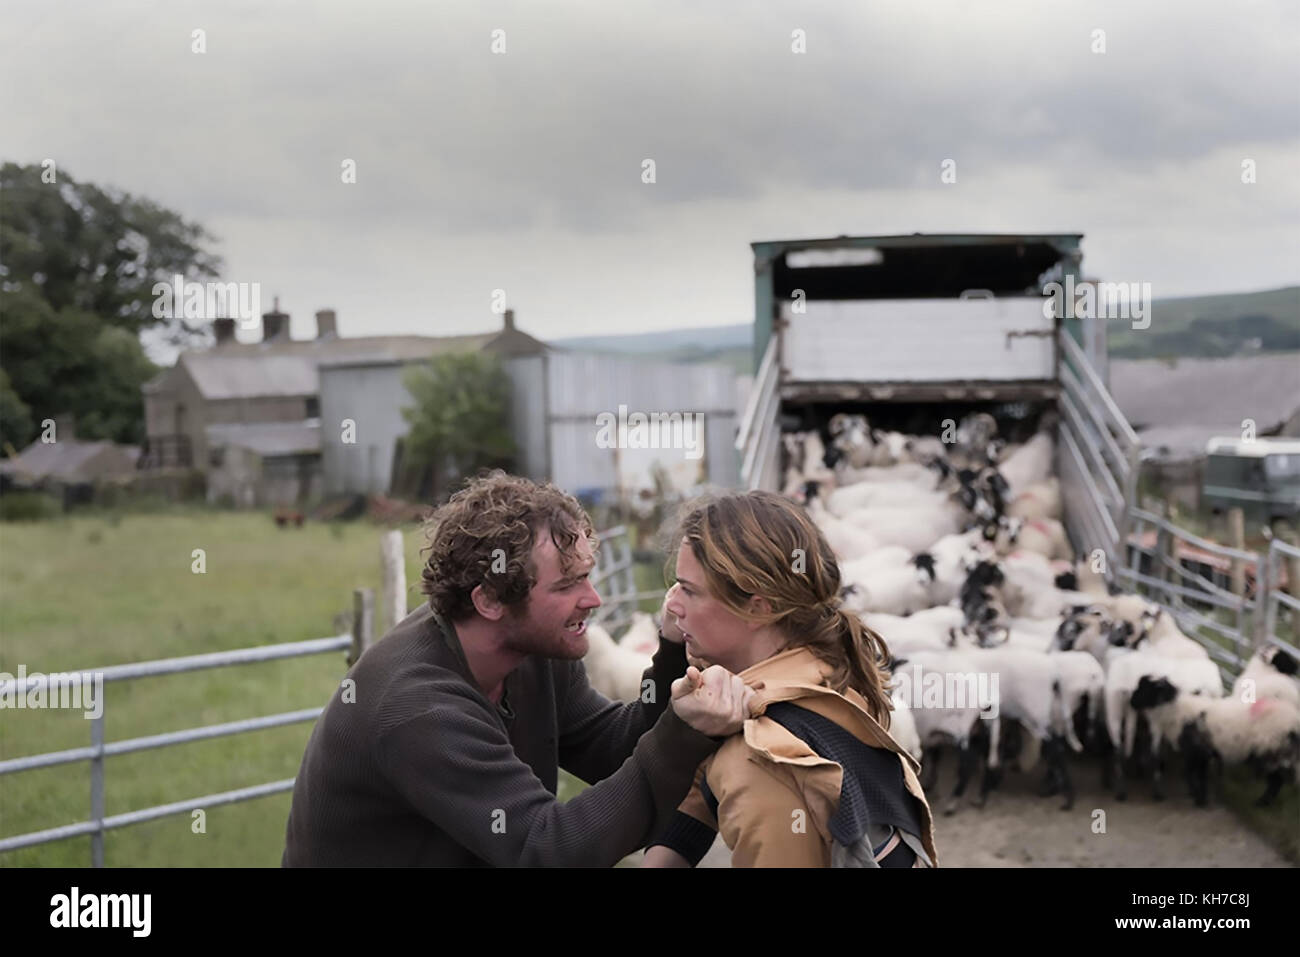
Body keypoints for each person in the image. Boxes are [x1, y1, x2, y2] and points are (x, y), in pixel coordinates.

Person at [282, 471, 758, 867]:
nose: (593, 600)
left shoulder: (530, 652)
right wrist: (681, 732)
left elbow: (613, 747)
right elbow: (545, 849)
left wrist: (672, 658)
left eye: (588, 575)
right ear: (489, 599)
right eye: (568, 584)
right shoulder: (418, 707)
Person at [643, 490, 939, 868]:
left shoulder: (760, 758)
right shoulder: (832, 675)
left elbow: (754, 775)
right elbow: (702, 791)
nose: (671, 605)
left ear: (757, 609)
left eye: (688, 590)